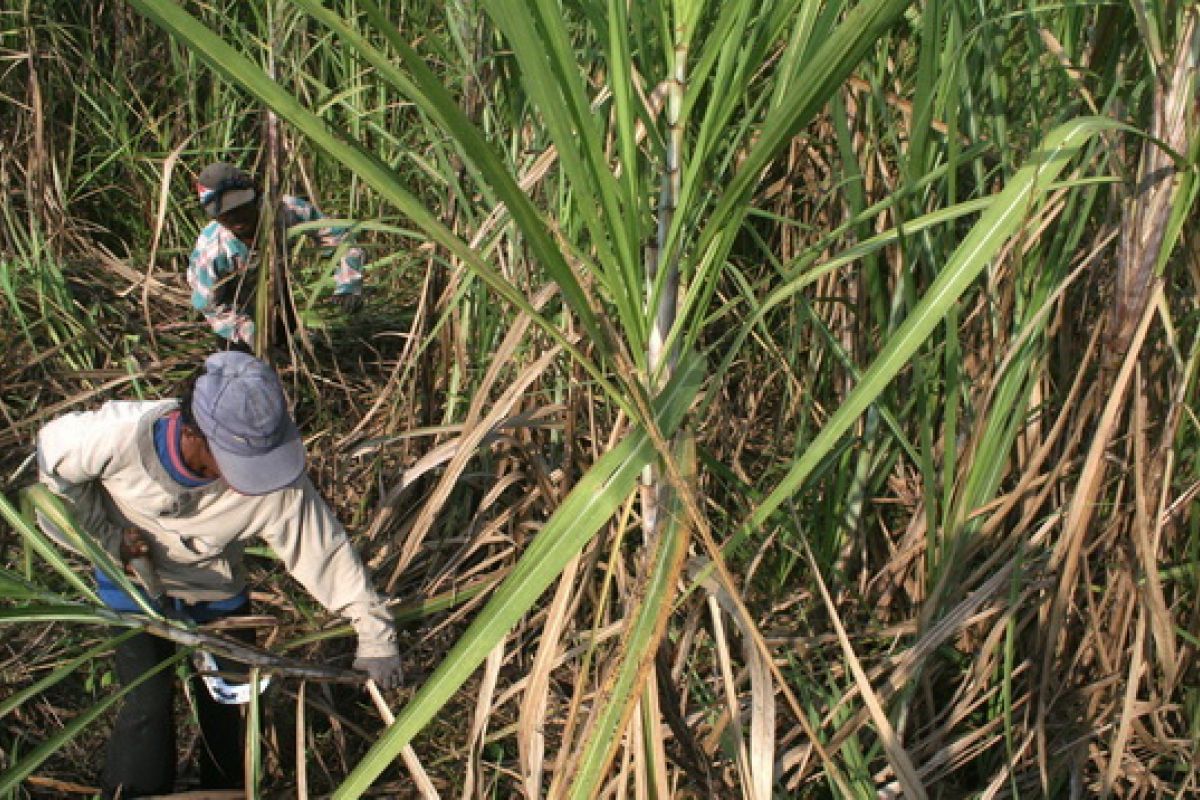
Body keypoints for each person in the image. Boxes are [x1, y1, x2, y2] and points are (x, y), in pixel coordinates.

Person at [35, 350, 402, 798]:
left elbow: (324, 550)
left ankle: (226, 792)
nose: (248, 479)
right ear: (191, 433)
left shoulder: (275, 482)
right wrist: (108, 539)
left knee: (230, 706)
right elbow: (52, 482)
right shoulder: (112, 438)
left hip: (216, 594)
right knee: (145, 705)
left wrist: (375, 634)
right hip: (132, 586)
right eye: (233, 460)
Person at [189, 161, 368, 348]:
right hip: (232, 306)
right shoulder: (211, 251)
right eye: (226, 214)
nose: (236, 220)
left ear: (255, 197)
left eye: (241, 207)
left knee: (282, 337)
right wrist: (251, 334)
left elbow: (340, 237)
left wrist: (348, 283)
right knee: (240, 360)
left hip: (276, 290)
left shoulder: (283, 211)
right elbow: (210, 305)